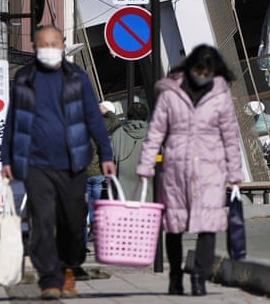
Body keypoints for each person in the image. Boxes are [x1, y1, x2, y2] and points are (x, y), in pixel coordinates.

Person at [1, 25, 116, 300]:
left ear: (63, 47)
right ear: (34, 47)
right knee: (42, 222)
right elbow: (12, 121)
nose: (50, 49)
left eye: (54, 44)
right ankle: (50, 279)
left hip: (74, 163)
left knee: (74, 222)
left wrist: (106, 154)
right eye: (44, 44)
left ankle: (68, 269)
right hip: (36, 163)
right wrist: (6, 158)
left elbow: (93, 116)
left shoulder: (77, 78)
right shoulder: (24, 79)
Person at [137, 45, 243, 296]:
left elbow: (230, 136)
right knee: (174, 226)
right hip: (176, 168)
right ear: (190, 67)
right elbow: (156, 132)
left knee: (208, 226)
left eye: (207, 71)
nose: (202, 75)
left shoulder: (220, 95)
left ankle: (199, 276)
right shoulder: (170, 93)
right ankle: (175, 276)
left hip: (210, 169)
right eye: (198, 69)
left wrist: (235, 173)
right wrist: (146, 164)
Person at [84, 101, 122, 243]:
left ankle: (88, 231)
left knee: (87, 204)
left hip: (84, 171)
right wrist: (106, 111)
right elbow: (116, 121)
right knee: (97, 202)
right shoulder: (100, 128)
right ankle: (96, 229)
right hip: (98, 172)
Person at [110, 101, 149, 201]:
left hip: (123, 195)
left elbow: (110, 161)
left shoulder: (117, 134)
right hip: (149, 193)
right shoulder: (153, 134)